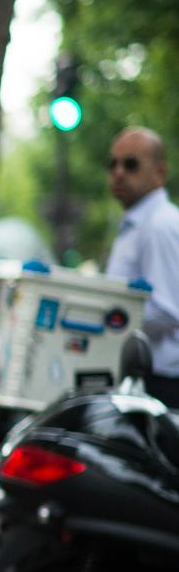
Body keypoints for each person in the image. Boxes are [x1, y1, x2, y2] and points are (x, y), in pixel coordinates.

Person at [105, 127, 179, 407]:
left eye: (131, 164)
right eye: (113, 164)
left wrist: (105, 318)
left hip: (161, 384)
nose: (119, 172)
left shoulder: (160, 226)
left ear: (159, 172)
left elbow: (169, 310)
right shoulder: (138, 225)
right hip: (144, 379)